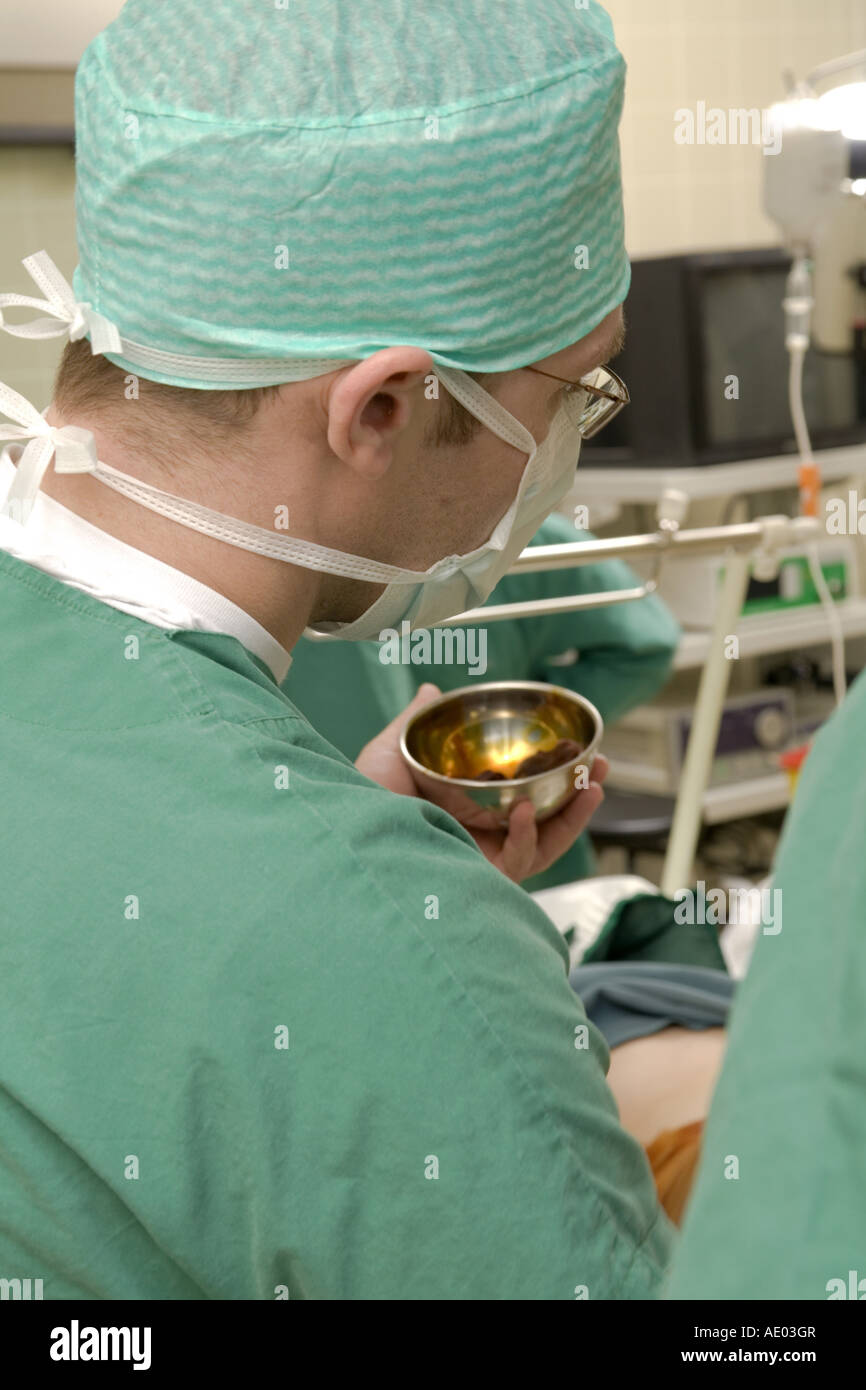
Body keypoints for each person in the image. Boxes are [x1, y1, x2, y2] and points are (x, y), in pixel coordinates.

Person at [0, 0, 676, 1298]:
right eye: (571, 394)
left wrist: (324, 854)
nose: (566, 450)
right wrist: (347, 909)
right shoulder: (413, 974)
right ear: (381, 406)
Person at [285, 510, 681, 891]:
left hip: (358, 876)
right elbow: (649, 644)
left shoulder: (286, 577)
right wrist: (538, 724)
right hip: (521, 858)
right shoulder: (519, 534)